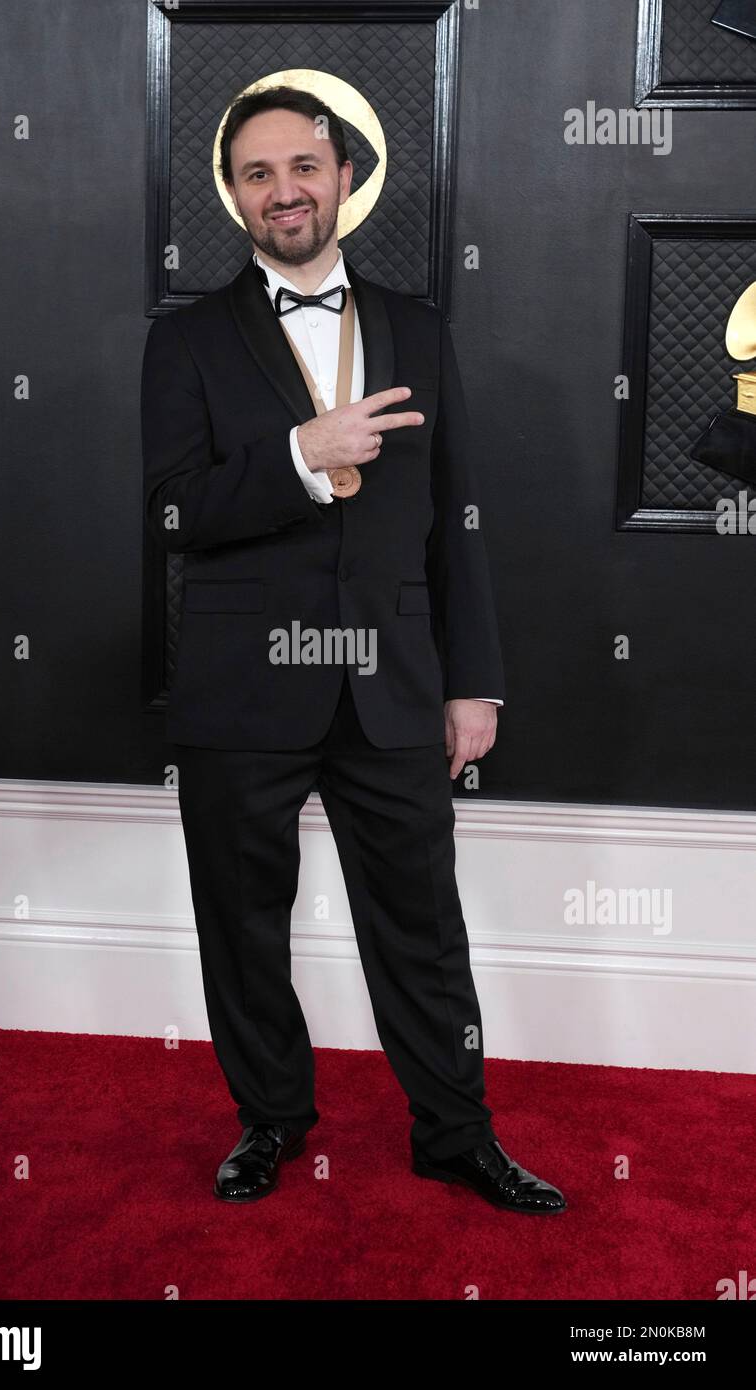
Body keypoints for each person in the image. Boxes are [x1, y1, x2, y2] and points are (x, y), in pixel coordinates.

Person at [140, 85, 566, 1214]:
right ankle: (270, 1119)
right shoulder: (183, 337)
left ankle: (454, 1132)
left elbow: (456, 516)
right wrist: (296, 451)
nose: (282, 189)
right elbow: (171, 513)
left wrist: (472, 679)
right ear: (234, 194)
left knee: (424, 927)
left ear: (341, 178)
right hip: (240, 693)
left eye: (301, 167)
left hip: (393, 687)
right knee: (242, 929)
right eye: (255, 173)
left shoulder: (419, 329)